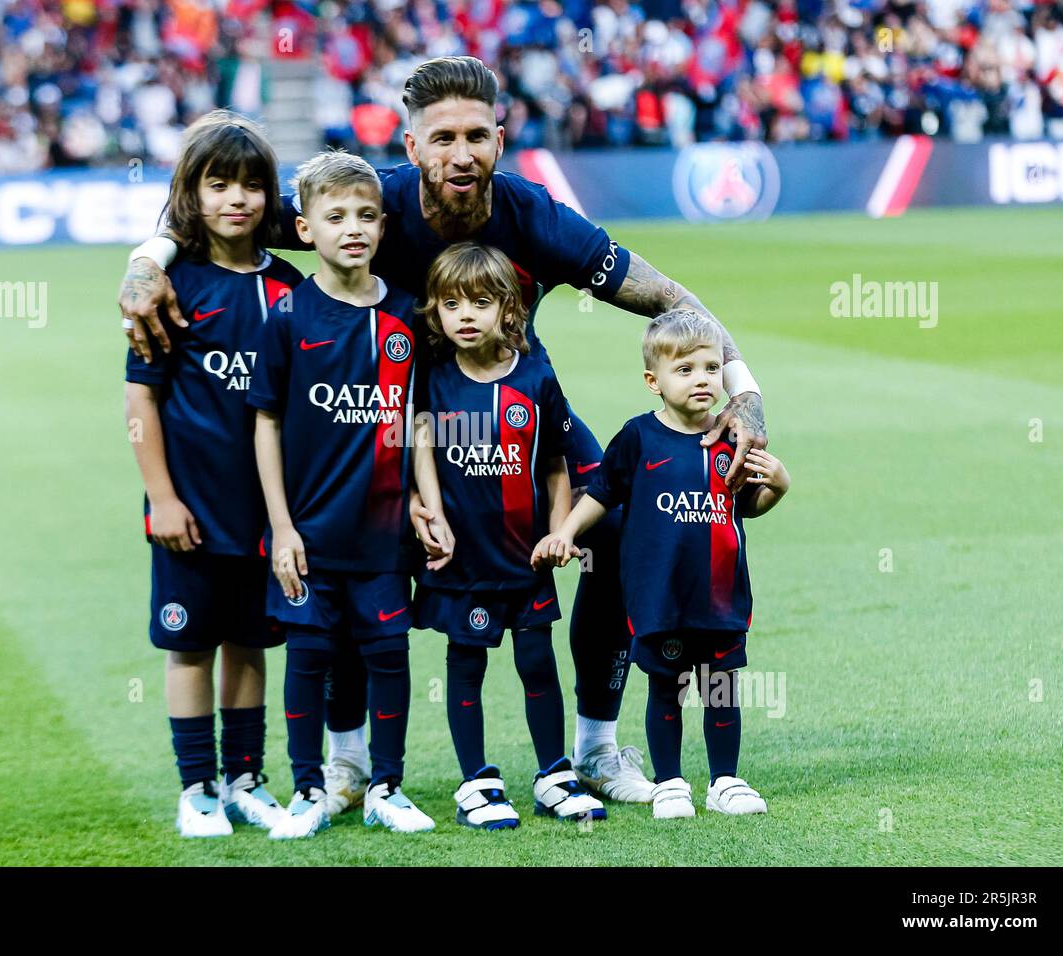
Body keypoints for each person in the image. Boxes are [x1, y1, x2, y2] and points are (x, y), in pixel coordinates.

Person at [118, 56, 769, 805]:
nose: (461, 154)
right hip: (391, 425)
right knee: (351, 548)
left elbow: (670, 300)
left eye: (477, 136)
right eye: (443, 138)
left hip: (516, 408)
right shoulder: (370, 201)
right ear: (411, 145)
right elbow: (219, 206)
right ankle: (349, 763)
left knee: (617, 518)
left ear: (501, 137)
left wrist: (745, 397)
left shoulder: (537, 217)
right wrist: (146, 264)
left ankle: (594, 746)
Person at [533, 310, 790, 819]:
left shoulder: (729, 438)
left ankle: (725, 781)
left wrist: (778, 484)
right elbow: (601, 494)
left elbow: (745, 507)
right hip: (658, 597)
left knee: (722, 691)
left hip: (720, 595)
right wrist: (564, 531)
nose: (702, 380)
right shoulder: (638, 438)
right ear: (654, 381)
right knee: (666, 690)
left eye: (712, 369)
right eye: (685, 369)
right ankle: (670, 782)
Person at [124, 111, 303, 837]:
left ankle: (245, 779)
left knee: (252, 644)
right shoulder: (173, 285)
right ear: (190, 195)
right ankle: (196, 788)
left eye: (252, 185)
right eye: (219, 184)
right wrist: (162, 498)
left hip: (265, 515)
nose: (237, 199)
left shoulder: (291, 288)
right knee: (190, 646)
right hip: (189, 511)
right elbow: (142, 398)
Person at [249, 149, 436, 839]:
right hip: (309, 534)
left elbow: (415, 418)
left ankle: (387, 784)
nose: (352, 228)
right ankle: (309, 787)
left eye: (365, 216)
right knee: (310, 656)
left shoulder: (406, 317)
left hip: (385, 534)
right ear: (305, 230)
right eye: (335, 217)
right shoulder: (289, 317)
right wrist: (283, 526)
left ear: (383, 228)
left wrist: (427, 502)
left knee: (389, 653)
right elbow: (265, 423)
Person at [411, 242, 607, 829]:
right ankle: (476, 781)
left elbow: (554, 466)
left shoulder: (536, 378)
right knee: (465, 664)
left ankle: (555, 772)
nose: (464, 315)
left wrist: (557, 534)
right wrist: (431, 508)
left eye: (480, 302)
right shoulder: (435, 376)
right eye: (451, 304)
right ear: (436, 312)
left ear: (509, 311)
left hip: (525, 560)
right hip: (462, 559)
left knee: (537, 662)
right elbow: (420, 440)